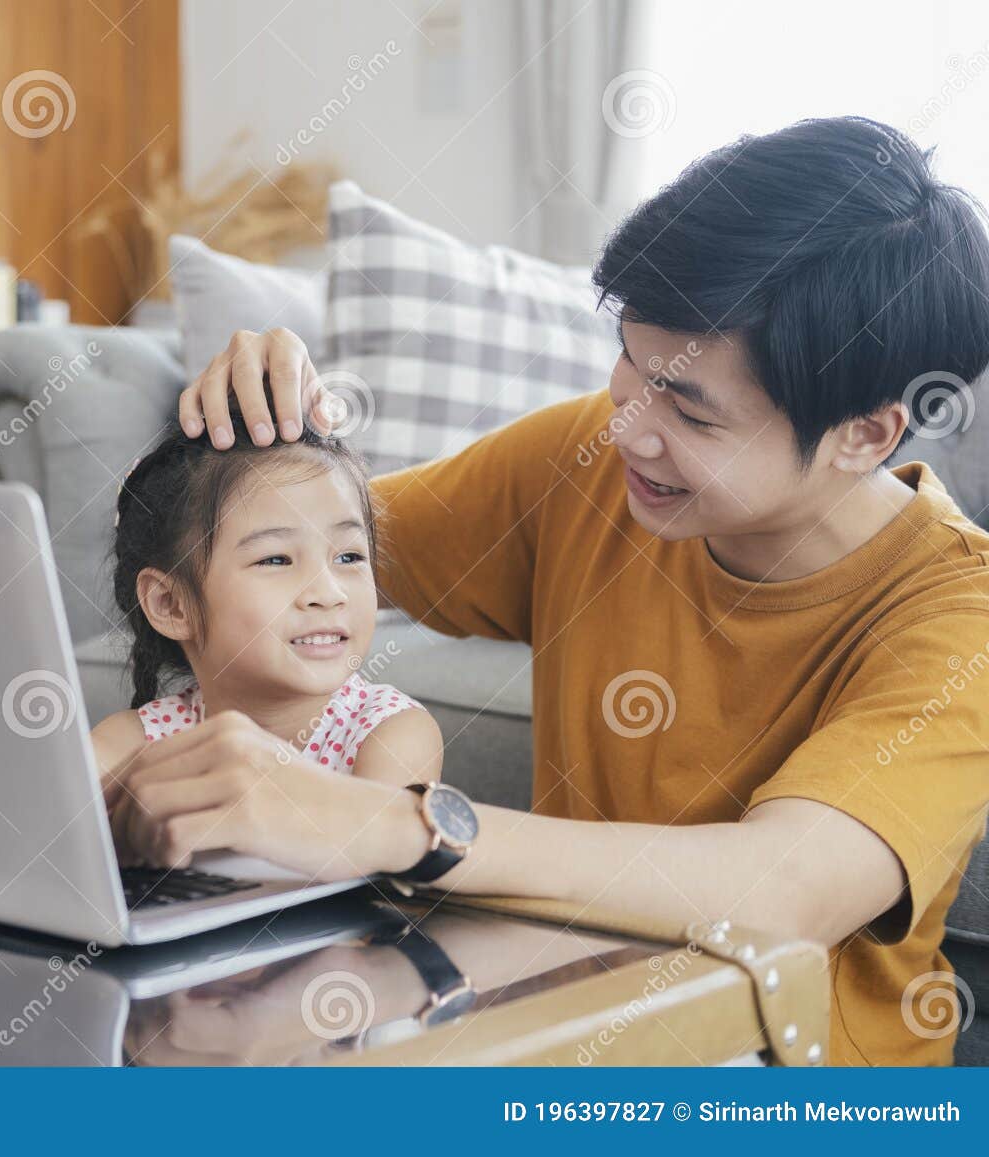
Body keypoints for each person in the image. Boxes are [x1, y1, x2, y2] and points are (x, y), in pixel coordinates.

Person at [106, 116, 989, 1065]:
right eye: (633, 368)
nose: (631, 430)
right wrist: (265, 441)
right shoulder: (584, 461)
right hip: (550, 1030)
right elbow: (283, 561)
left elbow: (779, 889)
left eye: (689, 408)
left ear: (865, 434)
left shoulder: (958, 616)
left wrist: (390, 822)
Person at [90, 397, 444, 860]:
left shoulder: (391, 733)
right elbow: (46, 841)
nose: (329, 591)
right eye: (276, 559)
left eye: (349, 556)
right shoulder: (138, 739)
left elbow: (374, 872)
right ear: (171, 604)